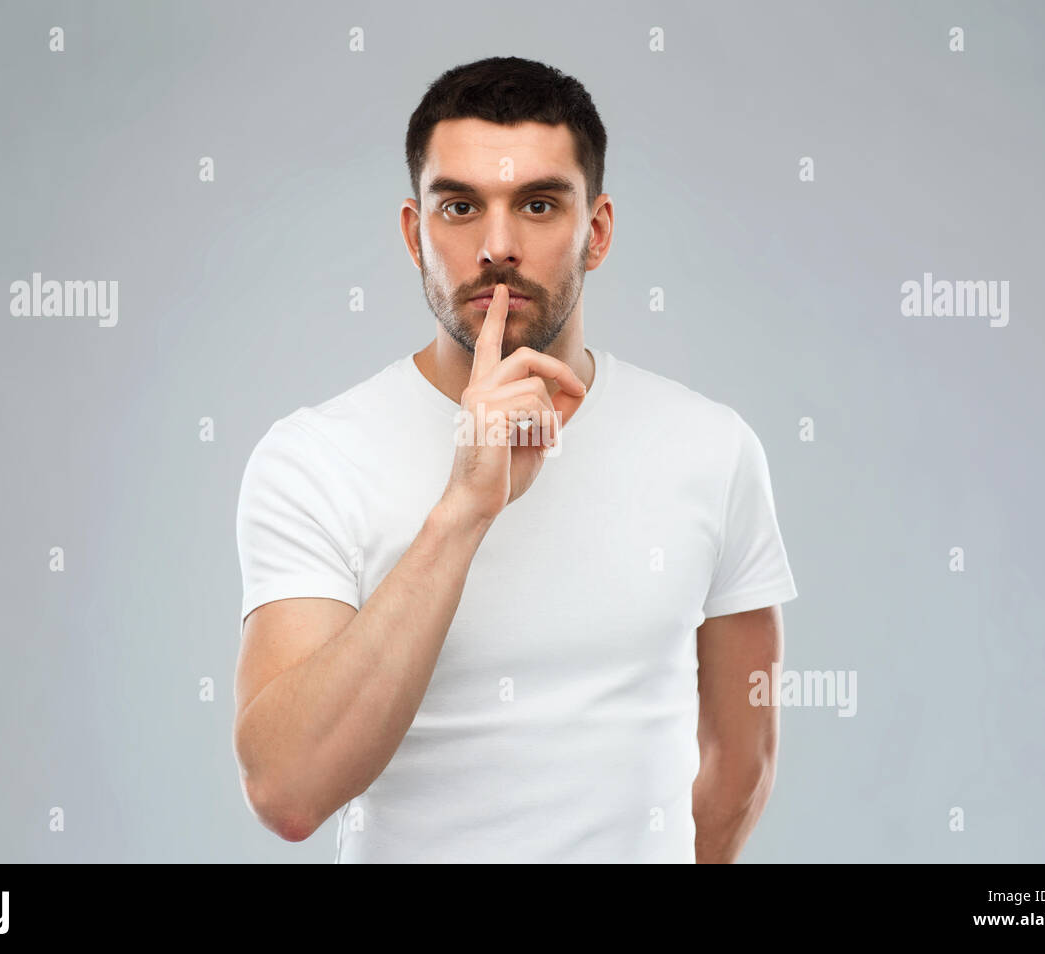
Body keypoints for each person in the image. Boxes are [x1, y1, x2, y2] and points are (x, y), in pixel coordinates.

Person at [233, 56, 798, 863]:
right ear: (413, 233)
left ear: (595, 231)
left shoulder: (712, 446)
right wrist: (464, 508)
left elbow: (741, 764)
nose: (497, 247)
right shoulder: (315, 457)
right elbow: (286, 792)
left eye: (538, 204)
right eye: (459, 207)